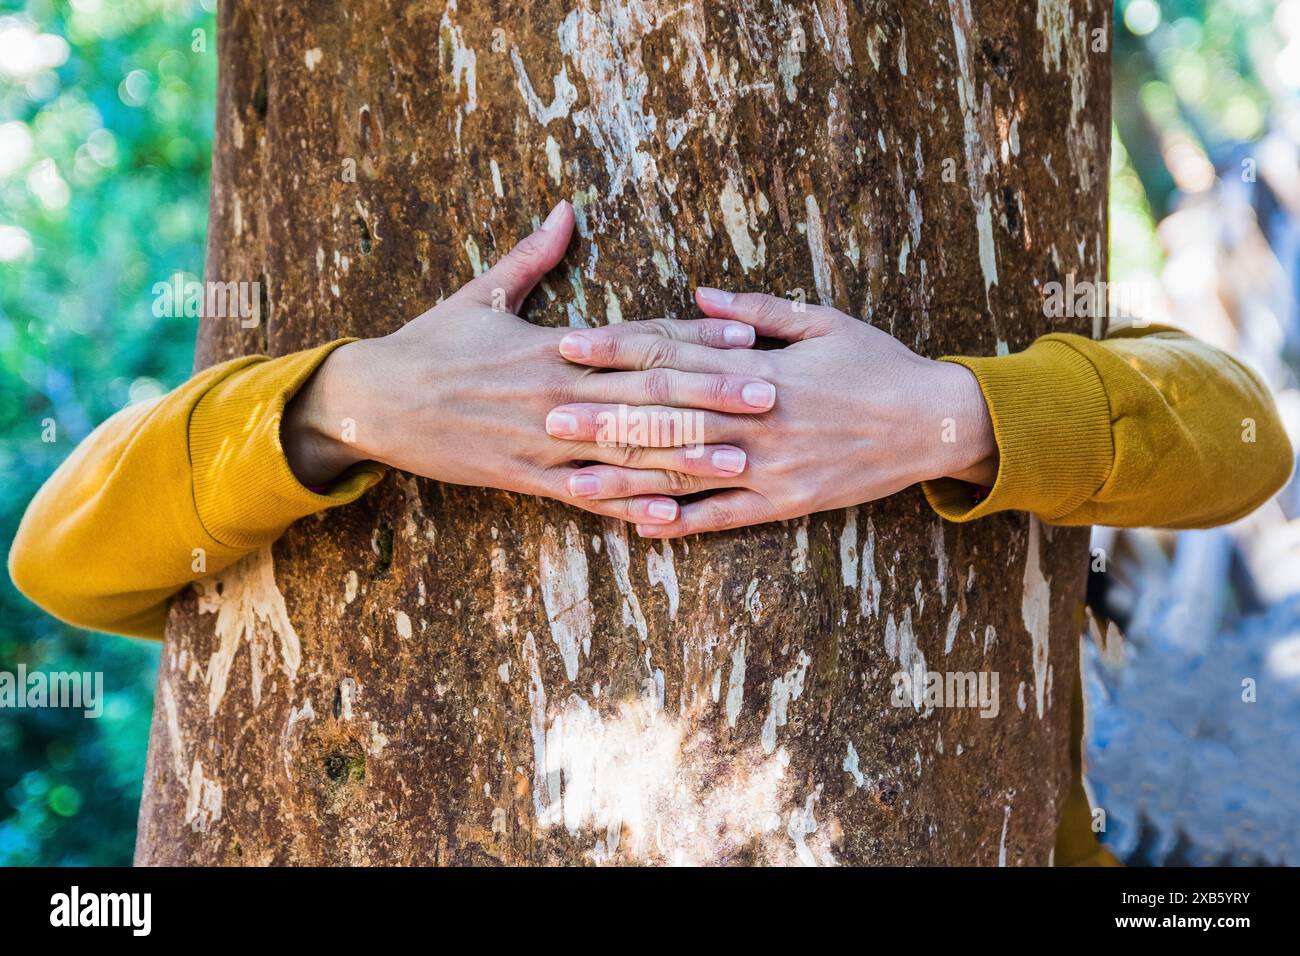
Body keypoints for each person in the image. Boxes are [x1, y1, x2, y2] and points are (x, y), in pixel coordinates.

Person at [9, 200, 1294, 865]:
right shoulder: (318, 391)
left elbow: (1245, 440)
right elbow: (59, 553)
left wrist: (942, 412)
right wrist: (353, 401)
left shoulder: (970, 325)